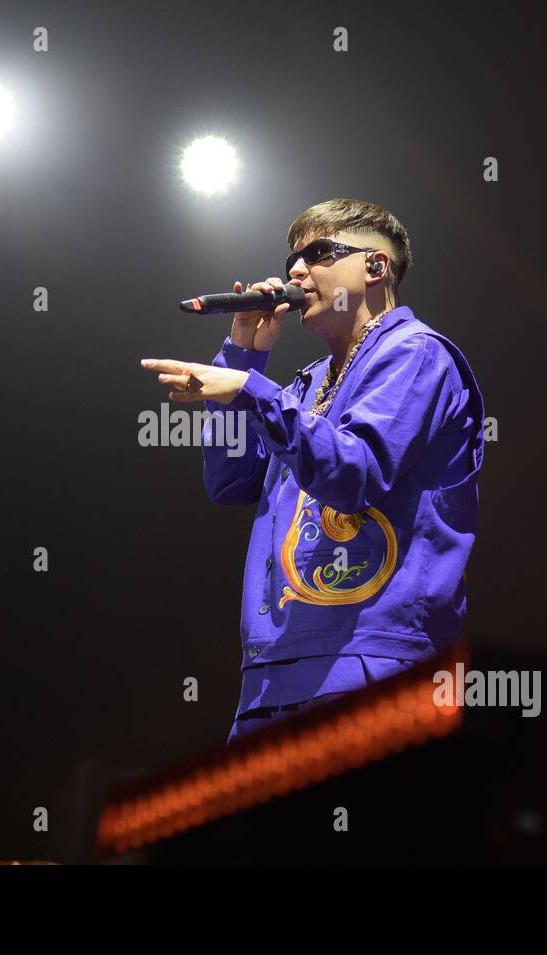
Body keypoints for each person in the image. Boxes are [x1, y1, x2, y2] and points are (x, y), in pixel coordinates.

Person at [140, 198, 485, 745]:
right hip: (270, 672)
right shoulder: (304, 384)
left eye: (319, 253)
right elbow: (230, 483)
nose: (296, 272)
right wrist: (243, 357)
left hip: (372, 661)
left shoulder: (418, 355)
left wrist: (253, 391)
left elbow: (354, 474)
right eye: (291, 261)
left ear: (375, 268)